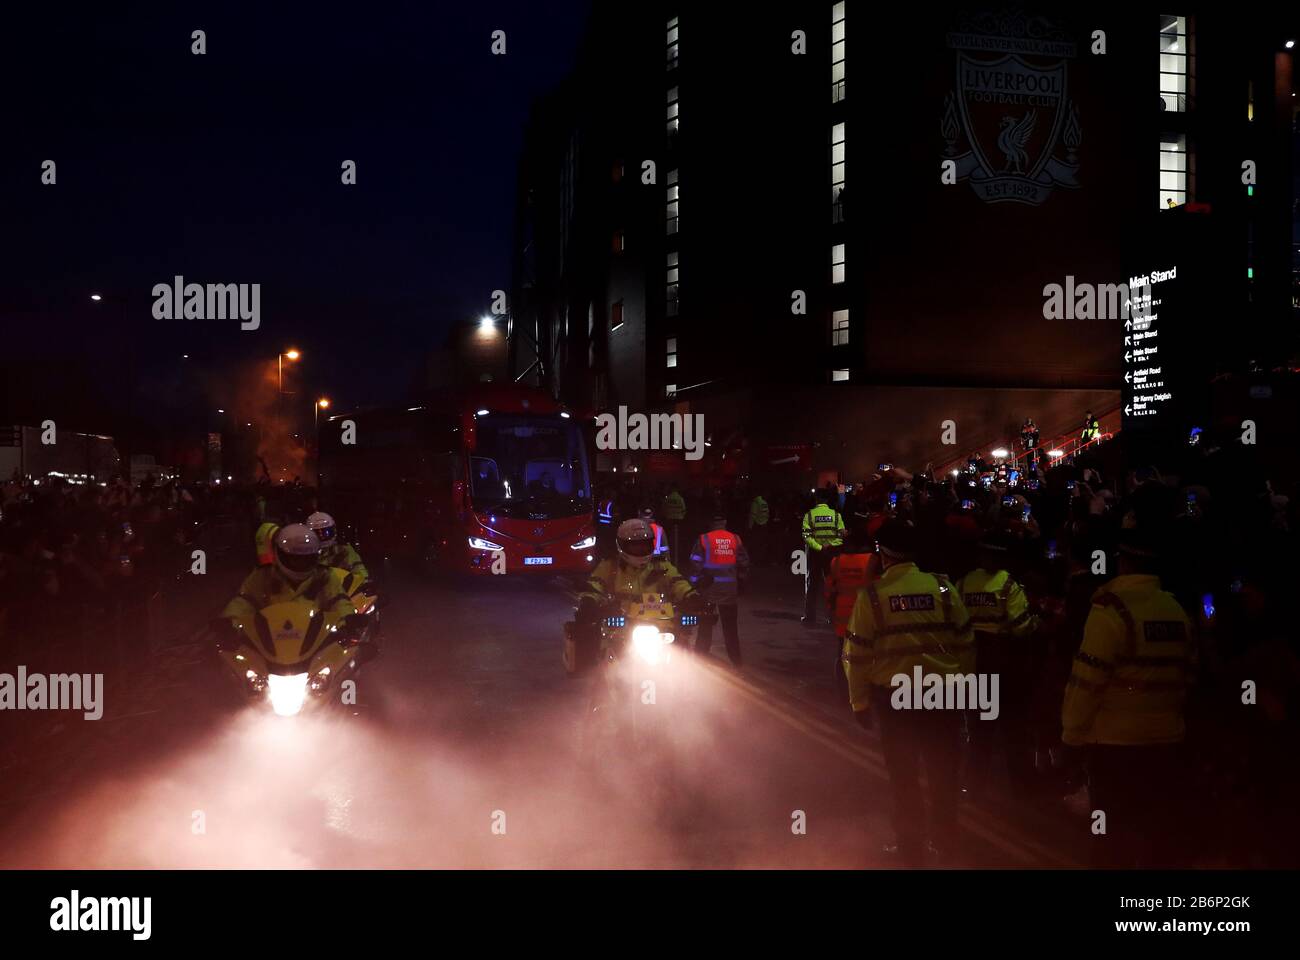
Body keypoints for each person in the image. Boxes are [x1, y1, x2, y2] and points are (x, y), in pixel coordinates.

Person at [1061, 523, 1196, 868]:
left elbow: (1086, 682)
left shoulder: (1110, 611)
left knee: (1108, 836)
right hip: (1166, 741)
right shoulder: (1176, 611)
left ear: (1122, 563)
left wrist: (1072, 735)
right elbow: (1188, 677)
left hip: (1115, 746)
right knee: (1155, 836)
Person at [842, 518, 975, 864]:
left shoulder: (872, 597)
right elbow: (966, 645)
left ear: (882, 555)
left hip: (897, 701)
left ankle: (911, 851)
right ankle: (946, 844)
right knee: (943, 775)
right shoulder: (944, 590)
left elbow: (855, 657)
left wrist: (859, 703)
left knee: (905, 778)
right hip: (944, 698)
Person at [957, 533, 1041, 795]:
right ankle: (1022, 785)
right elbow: (1022, 626)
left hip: (975, 665)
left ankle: (974, 784)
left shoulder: (964, 583)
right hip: (1006, 667)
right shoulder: (1009, 586)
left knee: (979, 730)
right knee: (1014, 730)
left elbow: (955, 624)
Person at [218, 524, 358, 648]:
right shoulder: (263, 576)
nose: (301, 563)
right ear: (281, 554)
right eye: (295, 558)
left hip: (315, 643)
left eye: (306, 558)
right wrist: (229, 623)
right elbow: (243, 602)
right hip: (268, 643)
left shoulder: (324, 576)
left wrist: (349, 622)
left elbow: (339, 601)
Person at [577, 518, 699, 622]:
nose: (641, 549)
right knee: (591, 637)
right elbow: (596, 583)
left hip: (660, 622)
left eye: (645, 545)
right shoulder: (610, 566)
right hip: (620, 624)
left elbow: (678, 582)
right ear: (622, 545)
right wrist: (589, 600)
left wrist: (691, 596)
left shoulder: (660, 565)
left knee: (683, 642)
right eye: (635, 546)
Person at [688, 512, 750, 667]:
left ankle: (700, 658)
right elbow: (744, 562)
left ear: (711, 523)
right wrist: (741, 582)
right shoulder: (735, 539)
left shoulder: (704, 539)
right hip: (729, 590)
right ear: (725, 522)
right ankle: (736, 660)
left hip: (709, 590)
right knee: (730, 628)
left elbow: (696, 562)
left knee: (705, 626)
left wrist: (695, 584)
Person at [824, 526, 878, 702]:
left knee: (842, 656)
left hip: (842, 619)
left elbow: (830, 590)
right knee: (868, 657)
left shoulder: (837, 562)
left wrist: (830, 610)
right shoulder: (871, 561)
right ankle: (865, 693)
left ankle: (843, 693)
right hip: (865, 618)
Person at [800, 490, 845, 625]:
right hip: (832, 554)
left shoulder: (809, 515)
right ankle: (833, 616)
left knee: (812, 585)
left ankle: (810, 618)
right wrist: (831, 545)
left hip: (815, 554)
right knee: (833, 585)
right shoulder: (836, 516)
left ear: (816, 500)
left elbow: (806, 536)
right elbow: (842, 536)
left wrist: (819, 547)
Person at [306, 511, 369, 581]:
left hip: (338, 590)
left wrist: (364, 584)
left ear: (333, 530)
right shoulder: (304, 553)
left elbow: (359, 572)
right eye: (317, 533)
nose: (322, 537)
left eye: (326, 532)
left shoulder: (343, 550)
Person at [659, 484, 687, 562]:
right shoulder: (680, 498)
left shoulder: (668, 498)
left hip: (669, 519)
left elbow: (664, 508)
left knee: (668, 537)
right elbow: (684, 509)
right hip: (679, 520)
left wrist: (666, 515)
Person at [747, 491, 770, 565]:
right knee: (762, 544)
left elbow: (752, 516)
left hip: (757, 526)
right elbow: (767, 514)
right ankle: (762, 560)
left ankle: (756, 560)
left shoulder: (755, 503)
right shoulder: (764, 503)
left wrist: (750, 526)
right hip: (764, 525)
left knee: (756, 544)